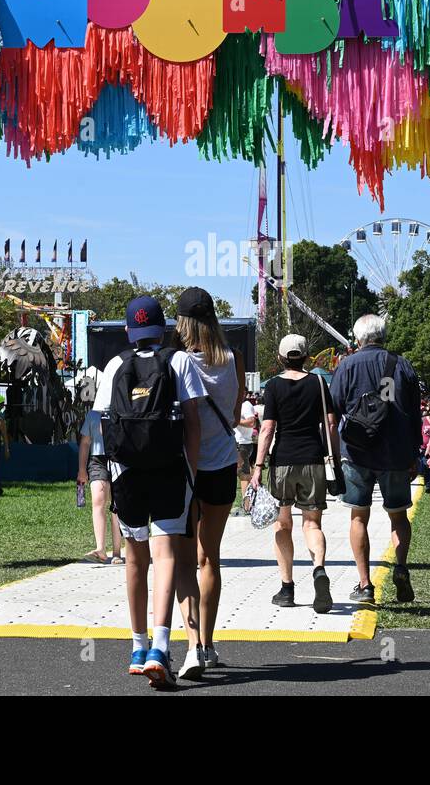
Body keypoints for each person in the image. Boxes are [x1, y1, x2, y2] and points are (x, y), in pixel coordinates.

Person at [93, 295, 204, 689]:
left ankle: (137, 647)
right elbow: (193, 423)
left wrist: (111, 471)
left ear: (128, 330)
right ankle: (160, 647)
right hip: (170, 470)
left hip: (127, 473)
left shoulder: (114, 366)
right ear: (164, 329)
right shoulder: (179, 361)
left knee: (135, 559)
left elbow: (103, 423)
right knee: (166, 554)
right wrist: (191, 470)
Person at [171, 287, 244, 679]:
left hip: (187, 468)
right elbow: (235, 411)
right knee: (209, 557)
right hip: (223, 465)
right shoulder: (233, 359)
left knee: (184, 561)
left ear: (182, 322)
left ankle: (192, 647)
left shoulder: (180, 361)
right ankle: (210, 644)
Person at [329, 315, 422, 605]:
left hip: (357, 453)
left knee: (359, 516)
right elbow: (415, 413)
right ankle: (401, 567)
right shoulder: (401, 365)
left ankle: (365, 584)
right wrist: (414, 453)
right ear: (383, 335)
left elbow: (334, 409)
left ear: (358, 338)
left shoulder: (346, 366)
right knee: (398, 515)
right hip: (396, 452)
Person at [251, 334, 336, 615]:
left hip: (282, 462)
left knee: (282, 525)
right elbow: (330, 424)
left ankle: (287, 589)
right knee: (312, 524)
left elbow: (267, 429)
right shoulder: (318, 383)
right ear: (307, 357)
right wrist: (334, 458)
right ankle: (319, 569)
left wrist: (258, 466)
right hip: (313, 459)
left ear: (280, 358)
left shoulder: (274, 386)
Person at [77, 407, 123, 565]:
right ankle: (100, 550)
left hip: (119, 457)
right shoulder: (92, 414)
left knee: (117, 506)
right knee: (98, 500)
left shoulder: (121, 408)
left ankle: (117, 552)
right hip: (97, 460)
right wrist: (82, 470)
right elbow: (85, 443)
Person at [232, 391, 258, 517]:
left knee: (243, 475)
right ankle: (246, 505)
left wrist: (235, 421)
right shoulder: (238, 405)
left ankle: (246, 507)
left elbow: (252, 422)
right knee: (241, 474)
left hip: (242, 444)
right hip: (239, 443)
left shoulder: (246, 405)